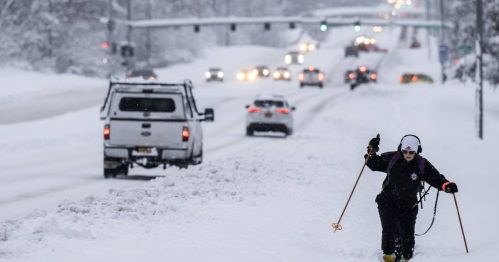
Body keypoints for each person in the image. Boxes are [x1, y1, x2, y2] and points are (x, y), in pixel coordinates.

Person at [365, 134, 458, 262]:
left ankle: (406, 257)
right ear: (401, 149)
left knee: (407, 238)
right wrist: (371, 150)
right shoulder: (392, 159)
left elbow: (435, 178)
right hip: (387, 202)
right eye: (405, 151)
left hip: (409, 206)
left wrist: (446, 185)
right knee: (389, 230)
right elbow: (373, 163)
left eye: (411, 152)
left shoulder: (421, 164)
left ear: (417, 151)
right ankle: (388, 257)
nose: (408, 154)